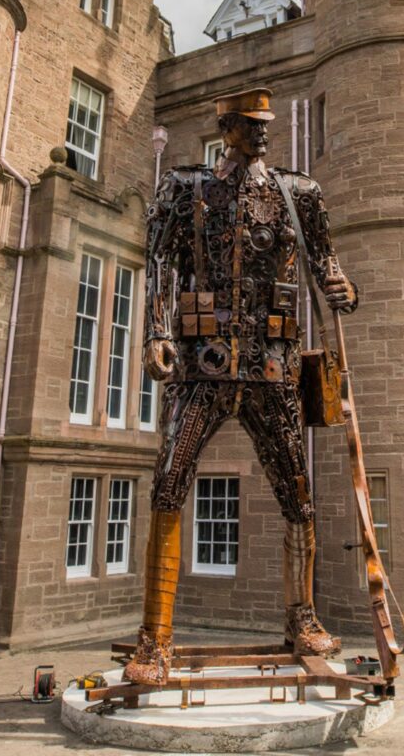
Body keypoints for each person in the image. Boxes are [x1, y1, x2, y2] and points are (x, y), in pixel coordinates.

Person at [125, 85, 357, 686]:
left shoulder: (298, 193)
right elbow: (159, 264)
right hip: (201, 361)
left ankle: (302, 618)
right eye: (248, 125)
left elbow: (327, 264)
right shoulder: (184, 189)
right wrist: (156, 332)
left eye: (264, 124)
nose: (261, 133)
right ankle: (156, 637)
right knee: (170, 479)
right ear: (225, 128)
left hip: (272, 361)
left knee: (296, 492)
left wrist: (343, 289)